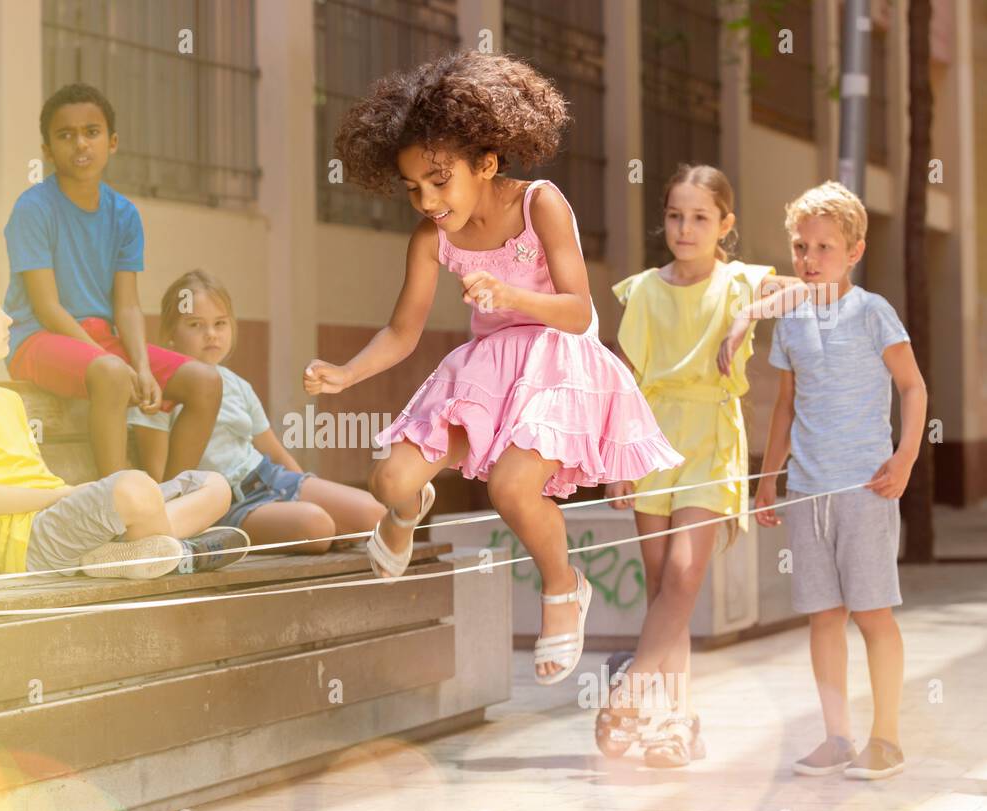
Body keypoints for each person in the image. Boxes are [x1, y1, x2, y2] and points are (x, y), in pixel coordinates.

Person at [303, 52, 683, 685]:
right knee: (388, 481)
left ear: (485, 162)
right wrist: (346, 374)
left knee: (511, 488)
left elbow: (578, 308)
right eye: (413, 188)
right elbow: (403, 332)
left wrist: (510, 297)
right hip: (486, 374)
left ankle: (563, 589)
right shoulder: (432, 239)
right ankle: (407, 511)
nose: (427, 199)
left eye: (439, 180)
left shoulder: (541, 205)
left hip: (558, 363)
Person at [597, 164, 800, 767]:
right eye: (676, 216)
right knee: (665, 593)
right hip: (650, 439)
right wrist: (617, 460)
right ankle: (674, 722)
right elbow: (625, 384)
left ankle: (632, 696)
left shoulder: (742, 282)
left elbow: (816, 288)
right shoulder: (642, 290)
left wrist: (747, 317)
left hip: (711, 437)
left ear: (725, 224)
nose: (685, 229)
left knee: (684, 576)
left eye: (701, 217)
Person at [738, 181, 927, 780]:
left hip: (866, 491)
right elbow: (785, 407)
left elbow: (913, 388)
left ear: (854, 251)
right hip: (806, 492)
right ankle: (837, 736)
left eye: (824, 246)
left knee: (872, 614)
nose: (809, 258)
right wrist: (767, 480)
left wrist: (904, 459)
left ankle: (887, 738)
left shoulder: (873, 312)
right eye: (800, 246)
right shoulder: (790, 322)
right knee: (824, 615)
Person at [0, 258, 250, 579]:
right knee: (134, 487)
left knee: (214, 486)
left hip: (59, 515)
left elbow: (37, 477)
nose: (8, 320)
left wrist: (72, 496)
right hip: (27, 540)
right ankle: (183, 552)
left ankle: (128, 551)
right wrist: (63, 495)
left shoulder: (6, 399)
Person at [2, 83, 223, 480]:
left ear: (112, 141)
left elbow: (127, 305)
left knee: (205, 381)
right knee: (108, 371)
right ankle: (117, 512)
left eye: (92, 131)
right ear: (48, 151)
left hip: (102, 343)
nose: (80, 144)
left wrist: (140, 365)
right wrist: (115, 365)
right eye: (65, 135)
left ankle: (168, 505)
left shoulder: (124, 214)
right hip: (37, 338)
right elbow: (47, 307)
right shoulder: (33, 209)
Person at [129, 270, 385, 554]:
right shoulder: (159, 389)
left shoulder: (238, 385)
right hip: (222, 503)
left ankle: (311, 524)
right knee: (317, 527)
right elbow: (160, 479)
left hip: (268, 477)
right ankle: (303, 529)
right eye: (195, 324)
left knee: (374, 515)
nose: (211, 334)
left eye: (220, 323)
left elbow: (275, 453)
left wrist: (300, 490)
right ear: (169, 333)